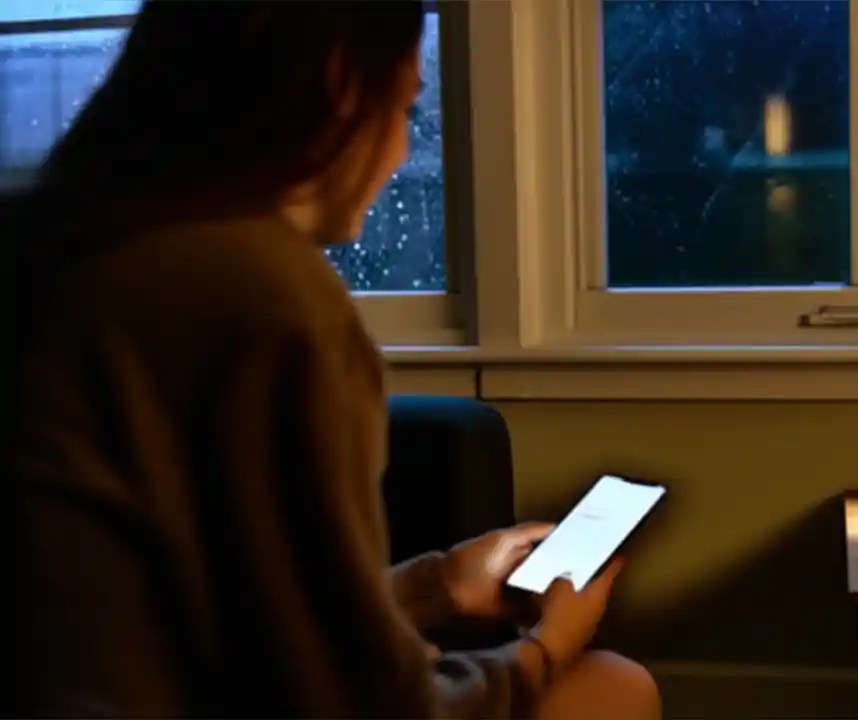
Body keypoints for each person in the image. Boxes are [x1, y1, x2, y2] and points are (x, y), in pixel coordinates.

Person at [0, 1, 660, 718]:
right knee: (613, 686)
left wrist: (434, 587)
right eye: (406, 110)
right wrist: (549, 644)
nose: (403, 152)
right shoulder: (260, 293)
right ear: (345, 85)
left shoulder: (56, 250)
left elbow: (224, 622)